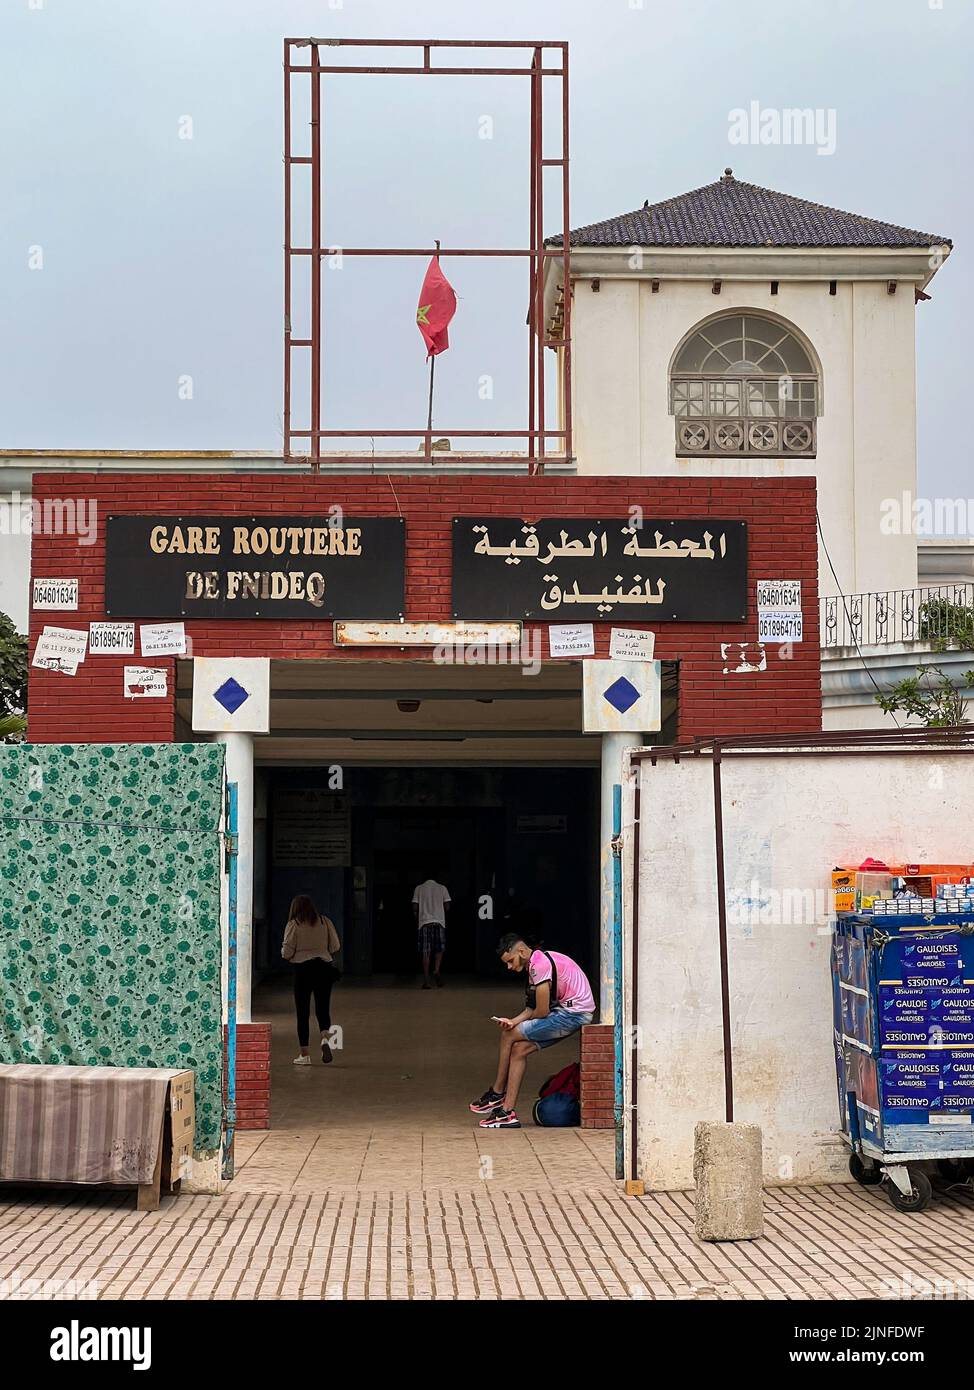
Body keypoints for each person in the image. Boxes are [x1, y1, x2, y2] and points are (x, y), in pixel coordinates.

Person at [469, 932, 595, 1129]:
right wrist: (513, 1021)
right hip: (566, 1011)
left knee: (508, 1036)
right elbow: (532, 1008)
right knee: (518, 1050)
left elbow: (542, 1011)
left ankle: (496, 1093)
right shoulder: (535, 964)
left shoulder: (539, 966)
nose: (509, 967)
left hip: (573, 1014)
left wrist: (515, 1029)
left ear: (521, 951)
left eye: (510, 961)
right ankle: (507, 1113)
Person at [281, 894, 341, 1065]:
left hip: (303, 970)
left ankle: (304, 1055)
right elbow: (335, 945)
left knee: (303, 1012)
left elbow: (287, 952)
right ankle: (324, 1039)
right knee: (323, 1008)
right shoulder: (324, 921)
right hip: (323, 968)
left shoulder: (294, 925)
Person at [412, 873, 451, 989]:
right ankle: (436, 970)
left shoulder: (418, 888)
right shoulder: (442, 888)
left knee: (426, 952)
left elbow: (414, 907)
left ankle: (426, 980)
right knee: (439, 949)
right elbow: (447, 906)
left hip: (424, 922)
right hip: (439, 922)